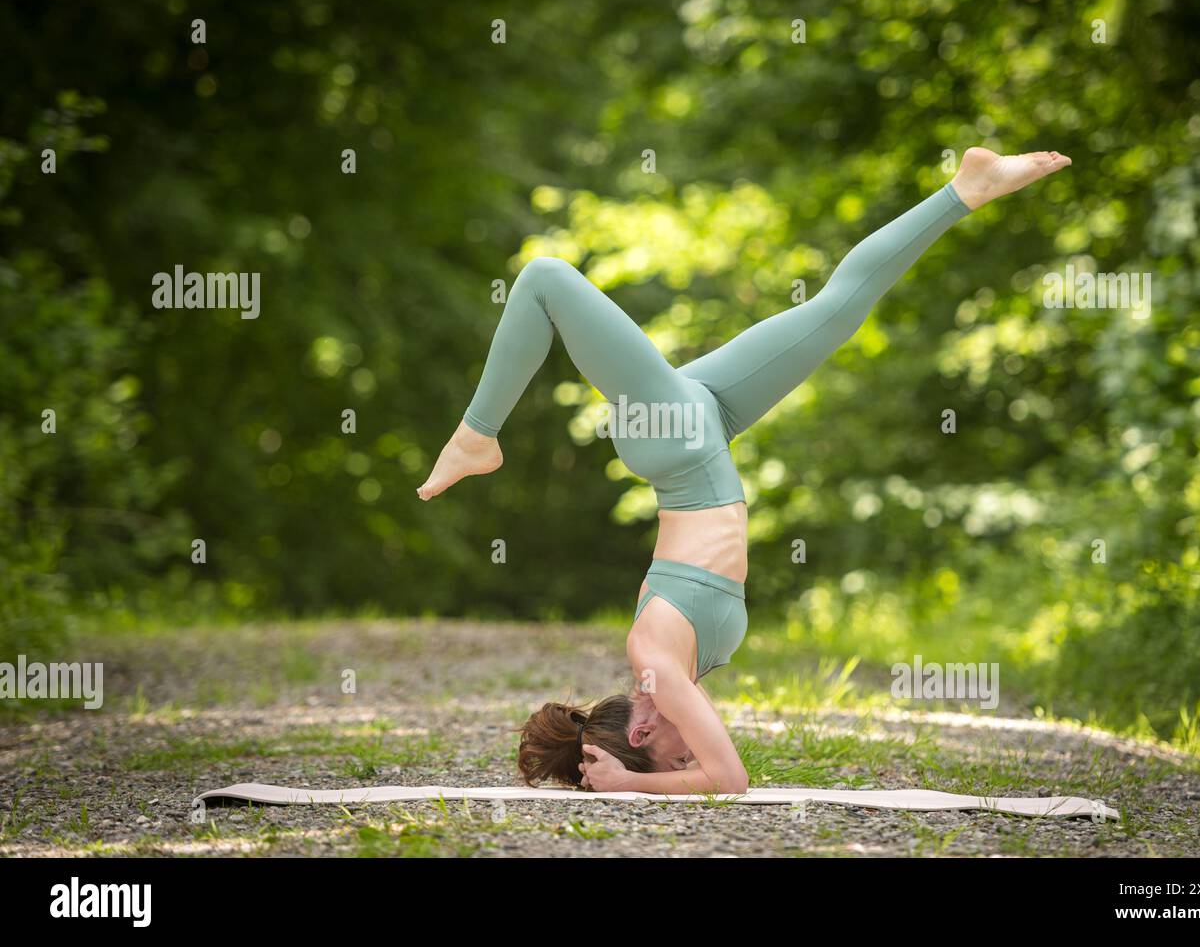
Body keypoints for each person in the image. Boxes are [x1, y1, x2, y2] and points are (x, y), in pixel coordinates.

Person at [418, 147, 1072, 794]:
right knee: (837, 311)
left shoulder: (656, 667)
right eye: (684, 766)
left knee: (544, 278)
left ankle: (477, 436)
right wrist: (600, 765)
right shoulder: (678, 671)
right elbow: (706, 764)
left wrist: (627, 785)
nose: (690, 759)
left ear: (642, 736)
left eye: (675, 762)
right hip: (702, 428)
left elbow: (728, 779)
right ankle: (966, 189)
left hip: (679, 444)